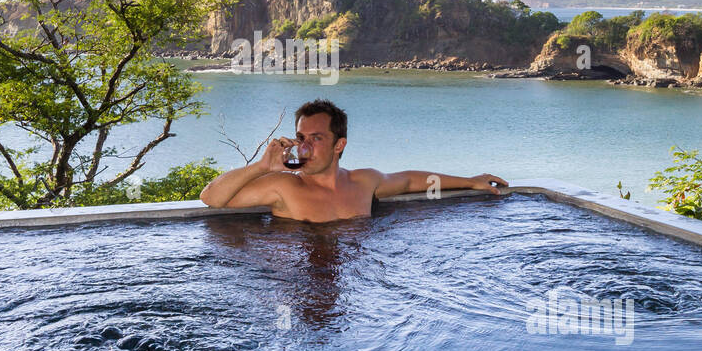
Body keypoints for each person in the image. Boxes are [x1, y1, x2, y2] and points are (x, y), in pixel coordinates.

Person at [199, 99, 508, 222]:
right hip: (303, 284)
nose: (304, 147)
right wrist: (261, 167)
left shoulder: (364, 181)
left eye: (316, 138)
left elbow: (412, 180)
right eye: (301, 137)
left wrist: (470, 181)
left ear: (339, 144)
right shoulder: (282, 187)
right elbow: (211, 198)